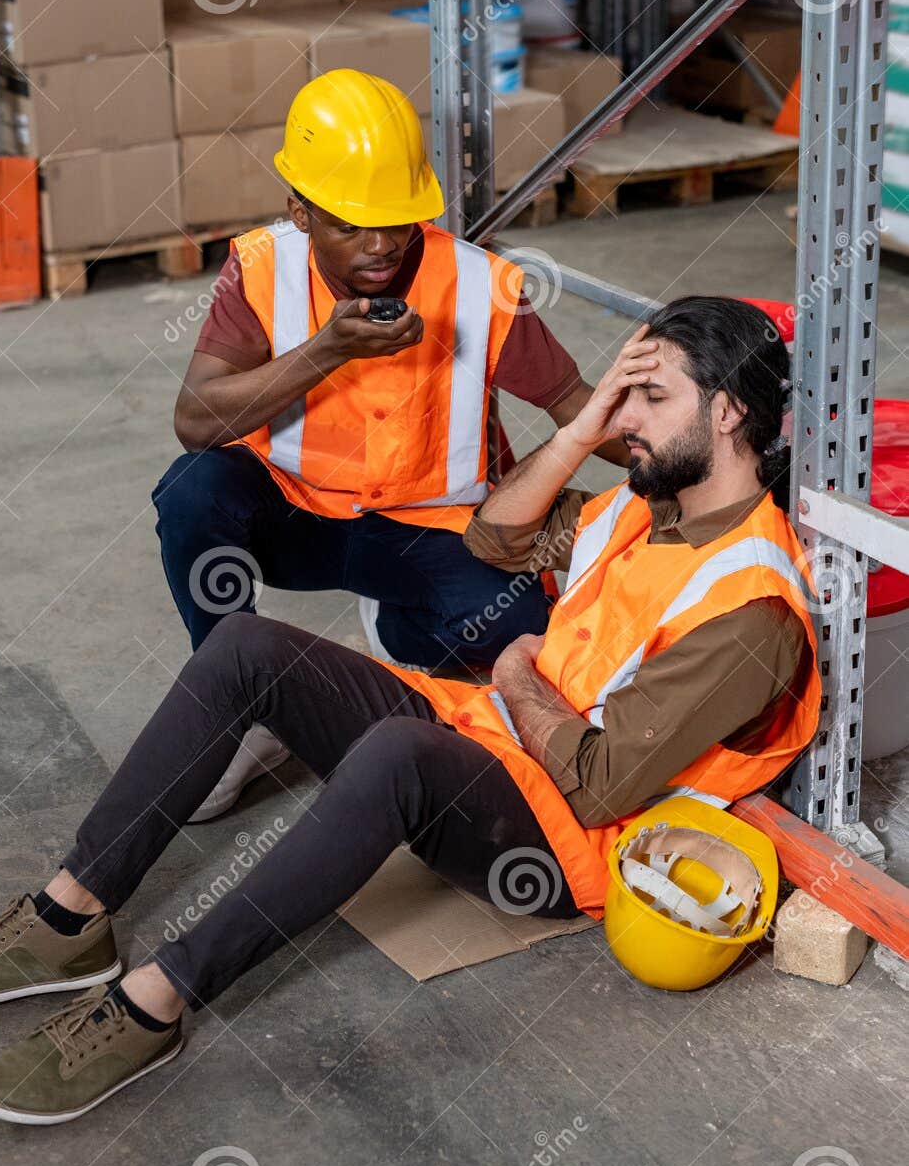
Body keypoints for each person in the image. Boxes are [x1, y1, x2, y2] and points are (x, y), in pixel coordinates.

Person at [0, 296, 820, 1127]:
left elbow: (594, 784)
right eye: (622, 397)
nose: (625, 423)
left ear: (729, 409)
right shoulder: (640, 506)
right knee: (245, 648)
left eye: (648, 400)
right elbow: (497, 537)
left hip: (563, 842)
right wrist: (579, 431)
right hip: (493, 732)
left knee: (397, 754)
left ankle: (152, 1001)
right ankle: (69, 915)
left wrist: (519, 675)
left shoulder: (750, 610)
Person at [154, 68, 623, 820]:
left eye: (397, 221)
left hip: (424, 530)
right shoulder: (261, 266)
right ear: (300, 211)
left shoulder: (480, 286)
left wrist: (698, 463)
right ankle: (241, 714)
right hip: (294, 519)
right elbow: (195, 419)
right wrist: (326, 351)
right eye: (349, 224)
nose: (379, 246)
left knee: (519, 633)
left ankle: (398, 627)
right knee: (193, 490)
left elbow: (577, 406)